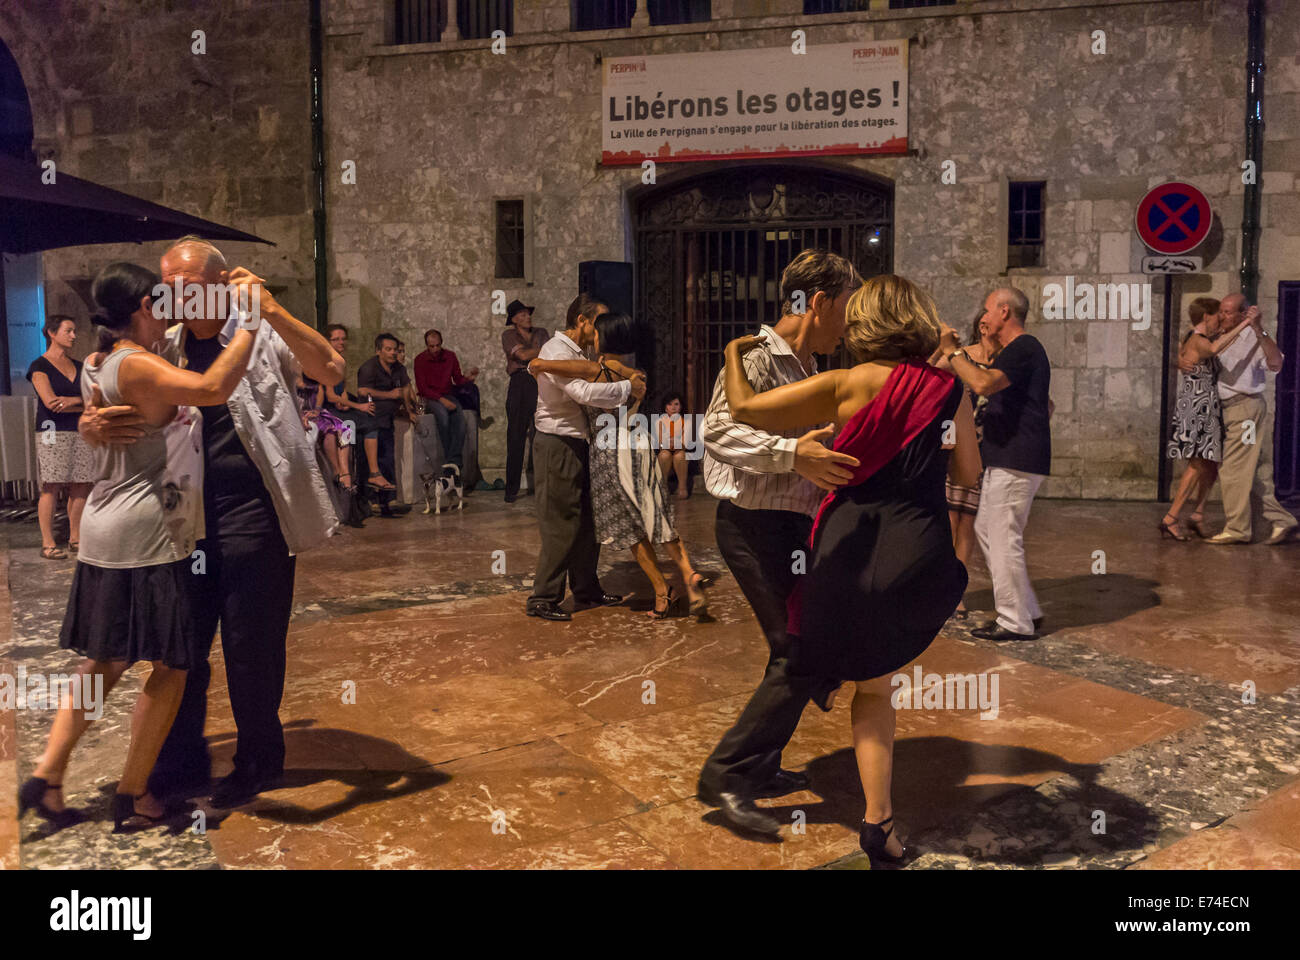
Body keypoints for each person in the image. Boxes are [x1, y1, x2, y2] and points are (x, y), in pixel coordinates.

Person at [722, 273, 981, 865]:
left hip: (847, 544)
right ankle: (878, 823)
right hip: (915, 546)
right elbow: (968, 476)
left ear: (864, 324)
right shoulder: (947, 389)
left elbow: (742, 409)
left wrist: (736, 351)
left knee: (856, 672)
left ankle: (871, 807)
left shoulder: (841, 383)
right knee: (879, 684)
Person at [80, 236, 344, 809]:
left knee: (254, 648)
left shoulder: (260, 330)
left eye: (186, 288)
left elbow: (331, 367)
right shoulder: (162, 345)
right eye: (166, 288)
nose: (173, 298)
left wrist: (270, 308)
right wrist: (90, 424)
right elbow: (103, 381)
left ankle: (257, 759)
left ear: (222, 285)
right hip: (179, 524)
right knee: (181, 652)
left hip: (257, 516)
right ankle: (179, 760)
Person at [21, 261, 255, 832]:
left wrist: (90, 425)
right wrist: (247, 323)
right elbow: (212, 388)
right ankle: (134, 793)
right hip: (144, 532)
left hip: (105, 526)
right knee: (174, 665)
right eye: (163, 298)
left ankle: (47, 774)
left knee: (105, 660)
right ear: (146, 305)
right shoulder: (138, 363)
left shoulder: (98, 362)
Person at [695, 248, 863, 838]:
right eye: (844, 307)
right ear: (817, 302)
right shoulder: (757, 357)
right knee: (796, 653)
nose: (849, 321)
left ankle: (759, 767)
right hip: (751, 526)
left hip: (790, 527)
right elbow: (715, 432)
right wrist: (796, 453)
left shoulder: (808, 367)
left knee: (799, 649)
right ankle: (726, 777)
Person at [528, 313, 709, 619]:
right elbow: (593, 372)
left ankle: (662, 592)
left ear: (604, 338)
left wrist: (541, 365)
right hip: (637, 444)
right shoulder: (633, 372)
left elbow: (580, 384)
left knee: (630, 528)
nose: (591, 336)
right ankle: (687, 571)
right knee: (655, 513)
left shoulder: (599, 371)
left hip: (610, 452)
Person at [525, 293, 645, 622]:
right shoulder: (555, 351)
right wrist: (626, 389)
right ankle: (543, 597)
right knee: (561, 521)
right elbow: (582, 393)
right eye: (599, 323)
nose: (602, 331)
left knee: (587, 522)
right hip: (557, 443)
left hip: (580, 442)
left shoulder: (580, 353)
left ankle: (586, 588)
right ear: (582, 321)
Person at [940, 286, 1051, 643]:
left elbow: (982, 383)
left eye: (988, 309)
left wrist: (952, 350)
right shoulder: (1016, 352)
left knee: (1002, 535)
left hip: (1017, 457)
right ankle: (1027, 610)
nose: (983, 317)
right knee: (990, 530)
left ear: (1005, 311)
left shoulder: (1025, 346)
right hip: (1009, 457)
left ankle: (1015, 621)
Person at [1203, 294, 1297, 545]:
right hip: (1231, 410)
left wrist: (1258, 328)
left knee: (1233, 468)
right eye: (1221, 311)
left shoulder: (1254, 338)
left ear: (1243, 313)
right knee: (1253, 471)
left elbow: (1276, 363)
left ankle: (1237, 529)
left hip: (1244, 409)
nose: (1222, 316)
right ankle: (1281, 521)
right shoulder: (1224, 335)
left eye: (1228, 312)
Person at [1160, 298, 1251, 540]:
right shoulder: (1199, 341)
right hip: (1197, 407)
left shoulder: (1196, 337)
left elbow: (1208, 345)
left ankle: (1198, 514)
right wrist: (1246, 324)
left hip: (1206, 407)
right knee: (1198, 463)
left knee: (1210, 463)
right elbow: (1212, 350)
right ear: (1206, 317)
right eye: (1216, 316)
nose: (1220, 321)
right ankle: (1171, 517)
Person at [930, 310, 999, 618]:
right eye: (983, 325)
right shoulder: (962, 357)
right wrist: (940, 347)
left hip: (985, 449)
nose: (988, 330)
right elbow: (929, 375)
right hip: (952, 446)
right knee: (948, 519)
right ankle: (940, 586)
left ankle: (957, 591)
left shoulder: (1005, 363)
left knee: (967, 521)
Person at [25, 315, 95, 559]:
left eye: (74, 331)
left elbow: (94, 400)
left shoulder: (80, 366)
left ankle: (75, 538)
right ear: (52, 333)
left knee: (82, 483)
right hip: (51, 431)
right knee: (51, 484)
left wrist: (74, 402)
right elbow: (52, 403)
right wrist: (80, 404)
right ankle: (48, 543)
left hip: (81, 429)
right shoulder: (39, 366)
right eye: (69, 331)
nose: (73, 336)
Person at [501, 300, 549, 502]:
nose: (527, 317)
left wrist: (533, 353)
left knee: (544, 434)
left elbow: (549, 355)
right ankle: (511, 489)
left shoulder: (541, 332)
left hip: (540, 381)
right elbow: (520, 355)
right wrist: (539, 351)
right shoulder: (509, 335)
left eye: (527, 314)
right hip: (520, 383)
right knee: (516, 436)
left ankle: (544, 487)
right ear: (513, 320)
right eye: (521, 315)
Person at [414, 328, 476, 473]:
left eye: (437, 345)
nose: (435, 349)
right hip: (429, 397)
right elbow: (422, 388)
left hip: (447, 394)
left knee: (459, 420)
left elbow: (457, 378)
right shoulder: (420, 359)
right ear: (427, 346)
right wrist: (441, 400)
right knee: (442, 416)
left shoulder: (450, 356)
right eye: (431, 346)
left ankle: (453, 461)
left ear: (441, 343)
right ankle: (451, 463)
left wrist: (467, 378)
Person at [355, 333, 407, 494]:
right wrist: (390, 395)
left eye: (395, 350)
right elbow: (362, 391)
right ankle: (376, 498)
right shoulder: (369, 368)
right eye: (388, 349)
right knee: (382, 454)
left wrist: (410, 410)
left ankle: (389, 499)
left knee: (388, 456)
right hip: (373, 417)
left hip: (389, 417)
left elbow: (406, 388)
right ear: (378, 351)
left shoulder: (398, 368)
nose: (393, 353)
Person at [656, 391, 690, 500]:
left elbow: (685, 443)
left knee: (679, 455)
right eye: (670, 404)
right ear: (665, 407)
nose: (673, 407)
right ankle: (663, 486)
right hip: (665, 449)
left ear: (681, 406)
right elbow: (660, 443)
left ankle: (682, 487)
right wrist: (671, 443)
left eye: (676, 404)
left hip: (681, 450)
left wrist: (674, 443)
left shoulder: (686, 422)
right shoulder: (659, 422)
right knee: (664, 455)